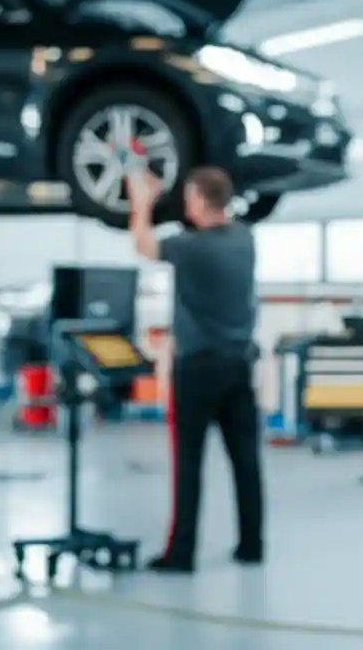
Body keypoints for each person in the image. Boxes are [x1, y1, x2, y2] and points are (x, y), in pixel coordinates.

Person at [126, 164, 264, 574]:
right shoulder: (245, 239)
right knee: (246, 461)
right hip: (240, 367)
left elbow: (143, 245)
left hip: (199, 369)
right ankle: (251, 545)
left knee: (188, 463)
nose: (185, 204)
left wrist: (142, 201)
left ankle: (181, 554)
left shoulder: (190, 247)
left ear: (201, 201)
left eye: (189, 197)